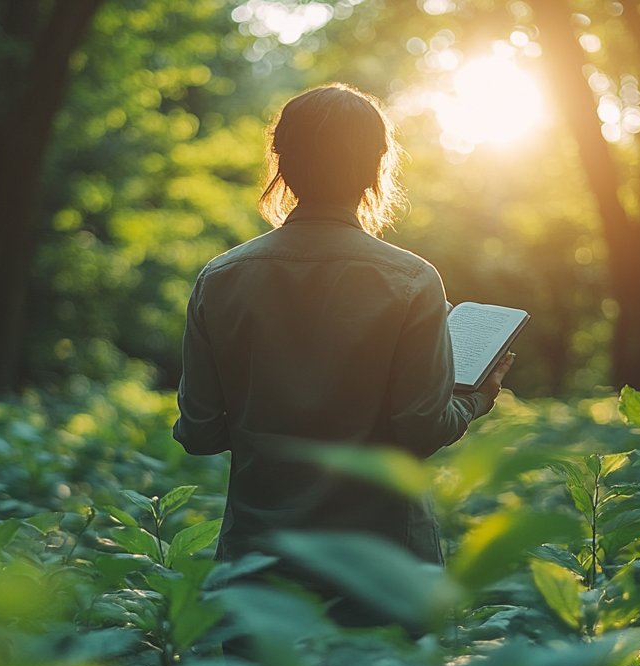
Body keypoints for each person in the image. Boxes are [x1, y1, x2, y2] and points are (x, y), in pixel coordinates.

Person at [173, 83, 513, 615]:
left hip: (260, 566)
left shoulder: (220, 279)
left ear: (282, 163)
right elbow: (423, 428)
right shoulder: (412, 280)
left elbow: (198, 433)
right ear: (376, 165)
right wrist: (475, 398)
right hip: (381, 566)